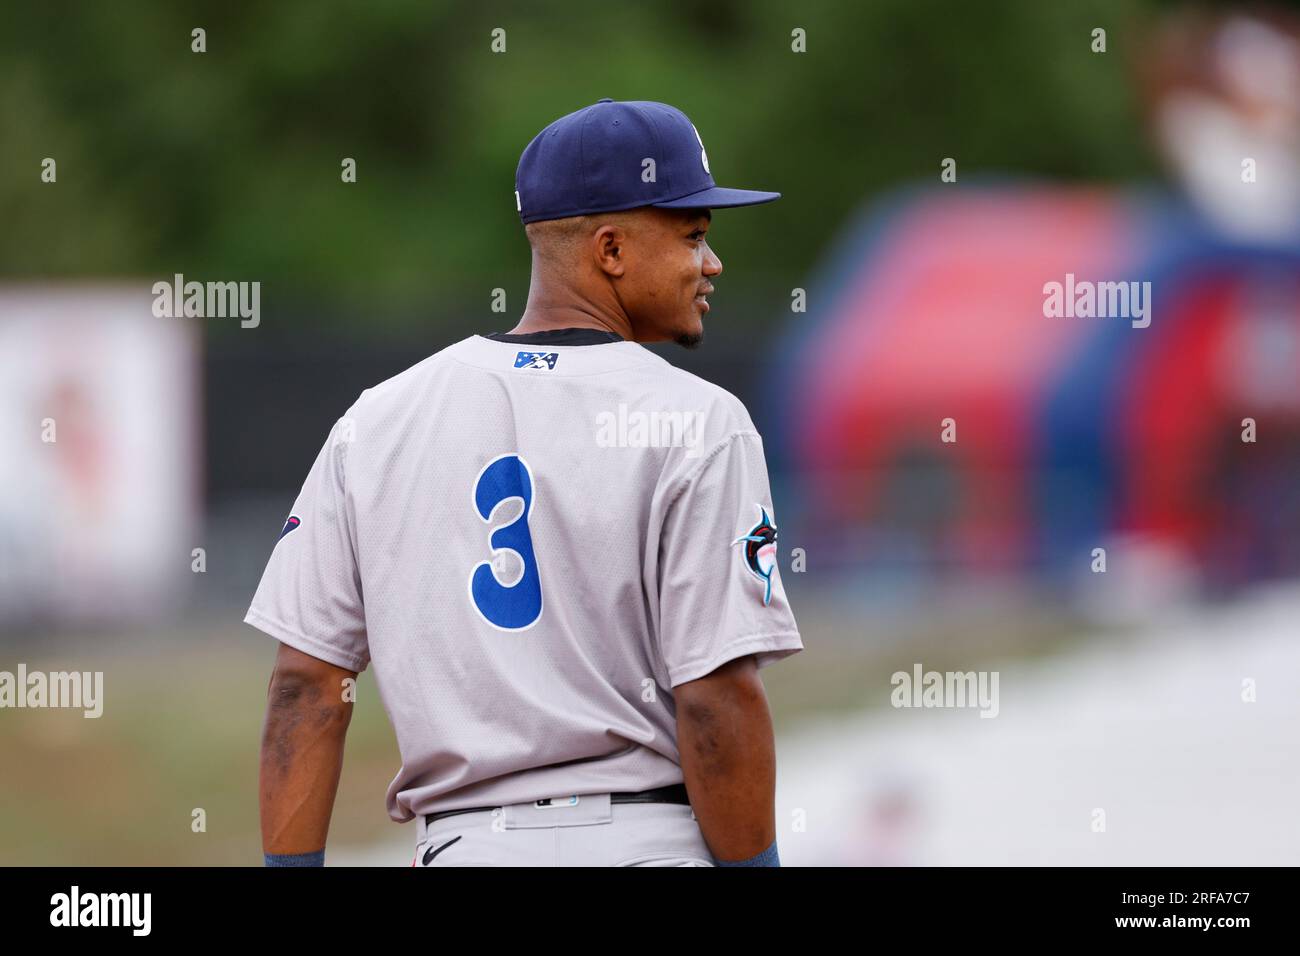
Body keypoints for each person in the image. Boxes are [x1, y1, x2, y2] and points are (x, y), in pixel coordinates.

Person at [248, 98, 803, 867]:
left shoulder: (377, 421)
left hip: (462, 845)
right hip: (643, 842)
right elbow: (716, 700)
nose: (712, 264)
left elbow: (304, 689)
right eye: (694, 236)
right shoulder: (698, 419)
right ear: (610, 249)